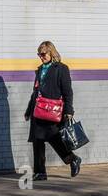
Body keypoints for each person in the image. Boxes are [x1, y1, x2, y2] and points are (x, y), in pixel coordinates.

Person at [25, 41, 82, 180]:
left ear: (51, 53)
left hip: (53, 112)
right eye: (39, 54)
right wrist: (28, 110)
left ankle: (72, 159)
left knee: (55, 139)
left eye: (43, 54)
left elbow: (68, 92)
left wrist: (69, 111)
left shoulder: (61, 69)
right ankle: (40, 172)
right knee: (37, 141)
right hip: (38, 111)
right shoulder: (39, 70)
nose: (41, 57)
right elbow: (35, 92)